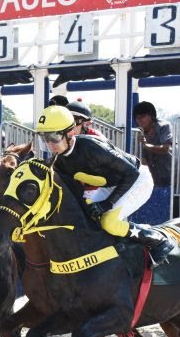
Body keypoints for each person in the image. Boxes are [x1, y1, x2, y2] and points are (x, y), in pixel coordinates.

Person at [35, 105, 172, 266]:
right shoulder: (59, 160)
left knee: (109, 222)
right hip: (112, 183)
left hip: (137, 180)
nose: (50, 144)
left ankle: (157, 239)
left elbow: (131, 174)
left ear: (70, 132)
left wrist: (107, 204)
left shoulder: (92, 147)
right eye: (45, 138)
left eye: (54, 136)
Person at [133, 101, 173, 187]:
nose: (140, 121)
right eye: (137, 118)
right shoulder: (137, 133)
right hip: (157, 180)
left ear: (151, 116)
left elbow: (166, 149)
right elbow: (142, 160)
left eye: (142, 117)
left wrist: (146, 145)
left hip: (177, 176)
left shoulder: (164, 126)